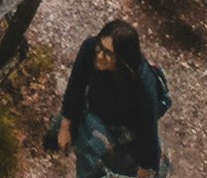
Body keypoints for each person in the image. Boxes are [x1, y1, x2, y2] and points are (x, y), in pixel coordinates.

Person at [52, 20, 168, 172]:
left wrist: (145, 167)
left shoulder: (143, 84)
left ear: (122, 59)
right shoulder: (89, 49)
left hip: (126, 124)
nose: (99, 56)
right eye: (99, 47)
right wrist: (65, 126)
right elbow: (76, 86)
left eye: (108, 53)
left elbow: (148, 127)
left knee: (106, 161)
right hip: (97, 109)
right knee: (81, 146)